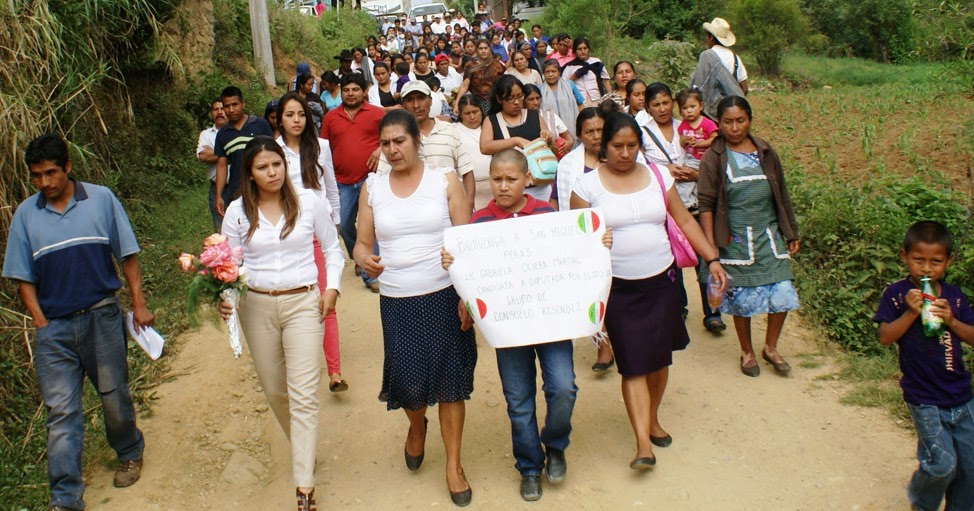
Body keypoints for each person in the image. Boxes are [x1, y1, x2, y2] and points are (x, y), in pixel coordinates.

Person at [3, 133, 154, 511]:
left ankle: (129, 450)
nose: (44, 183)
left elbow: (128, 255)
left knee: (113, 395)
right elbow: (23, 277)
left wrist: (138, 304)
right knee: (61, 412)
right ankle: (65, 497)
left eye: (51, 173)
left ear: (68, 167)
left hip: (101, 316)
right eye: (36, 176)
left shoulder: (101, 199)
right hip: (54, 329)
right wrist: (40, 321)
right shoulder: (26, 215)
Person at [571, 113, 726, 470]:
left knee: (659, 359)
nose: (625, 153)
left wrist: (712, 259)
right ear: (603, 148)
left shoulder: (659, 177)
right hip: (618, 289)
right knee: (634, 365)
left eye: (632, 146)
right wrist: (594, 241)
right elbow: (575, 239)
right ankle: (643, 443)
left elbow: (684, 219)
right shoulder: (587, 187)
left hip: (662, 281)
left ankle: (652, 417)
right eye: (617, 147)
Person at [440, 149, 595, 501]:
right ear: (489, 180)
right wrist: (454, 261)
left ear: (528, 179)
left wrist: (597, 242)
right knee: (518, 400)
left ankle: (555, 444)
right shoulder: (478, 224)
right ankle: (529, 467)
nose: (503, 186)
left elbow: (572, 257)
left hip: (551, 321)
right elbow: (470, 273)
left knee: (563, 387)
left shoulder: (547, 215)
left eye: (512, 179)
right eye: (497, 179)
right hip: (508, 327)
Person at [353, 110, 477, 507]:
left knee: (450, 381)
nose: (392, 150)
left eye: (399, 142)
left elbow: (465, 242)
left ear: (416, 141)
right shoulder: (372, 188)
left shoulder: (445, 181)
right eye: (386, 144)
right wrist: (363, 259)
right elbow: (361, 243)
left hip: (443, 293)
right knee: (409, 382)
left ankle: (453, 465)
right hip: (396, 298)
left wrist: (466, 296)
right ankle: (416, 425)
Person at [218, 137, 343, 511]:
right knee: (276, 391)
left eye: (277, 165)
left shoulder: (309, 203)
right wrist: (227, 300)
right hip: (256, 307)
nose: (272, 173)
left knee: (304, 393)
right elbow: (228, 266)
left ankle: (304, 486)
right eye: (262, 167)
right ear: (251, 174)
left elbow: (333, 248)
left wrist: (332, 287)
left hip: (304, 302)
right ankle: (302, 446)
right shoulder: (238, 213)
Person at [874, 221, 974, 511]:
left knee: (969, 468)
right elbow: (884, 337)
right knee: (942, 465)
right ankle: (921, 503)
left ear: (948, 262)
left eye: (936, 262)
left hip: (962, 396)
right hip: (924, 398)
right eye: (919, 260)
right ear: (904, 256)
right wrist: (910, 312)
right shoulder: (896, 294)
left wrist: (952, 320)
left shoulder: (953, 296)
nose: (927, 269)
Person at [697, 96, 800, 377]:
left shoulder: (765, 151)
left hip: (769, 234)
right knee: (741, 299)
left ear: (750, 120)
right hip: (733, 239)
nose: (734, 127)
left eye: (740, 120)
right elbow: (705, 204)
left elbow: (782, 193)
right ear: (718, 124)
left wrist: (790, 231)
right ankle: (747, 351)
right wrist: (710, 248)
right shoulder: (714, 157)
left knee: (782, 292)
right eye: (728, 122)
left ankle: (771, 347)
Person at [276, 92, 346, 392]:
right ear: (279, 118)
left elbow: (330, 187)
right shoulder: (271, 151)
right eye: (290, 115)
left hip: (319, 233)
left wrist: (336, 224)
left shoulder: (321, 148)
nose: (296, 120)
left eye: (301, 115)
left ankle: (334, 372)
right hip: (287, 235)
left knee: (325, 298)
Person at [320, 73, 385, 292]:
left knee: (372, 226)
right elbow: (323, 148)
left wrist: (380, 148)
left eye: (355, 89)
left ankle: (370, 274)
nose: (350, 93)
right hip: (342, 182)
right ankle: (359, 256)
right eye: (346, 90)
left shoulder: (376, 113)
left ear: (363, 91)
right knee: (345, 224)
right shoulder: (330, 117)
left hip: (372, 180)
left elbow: (390, 137)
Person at [638, 83, 695, 321]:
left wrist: (694, 173)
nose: (662, 108)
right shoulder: (641, 132)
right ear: (648, 108)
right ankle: (679, 303)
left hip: (694, 197)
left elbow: (703, 155)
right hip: (663, 202)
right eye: (656, 104)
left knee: (699, 251)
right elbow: (639, 166)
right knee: (673, 252)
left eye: (665, 102)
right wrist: (665, 170)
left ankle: (713, 311)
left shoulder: (687, 127)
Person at [377, 80, 475, 210]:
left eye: (421, 98)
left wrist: (467, 207)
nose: (416, 105)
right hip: (413, 212)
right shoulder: (394, 139)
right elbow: (382, 179)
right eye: (410, 100)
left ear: (430, 101)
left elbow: (466, 171)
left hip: (451, 209)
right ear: (402, 104)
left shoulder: (449, 130)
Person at [480, 75, 554, 203]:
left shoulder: (533, 116)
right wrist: (515, 141)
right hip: (510, 188)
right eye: (510, 98)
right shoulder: (492, 121)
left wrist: (548, 137)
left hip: (540, 184)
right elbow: (485, 147)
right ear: (499, 99)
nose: (516, 102)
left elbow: (549, 148)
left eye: (520, 96)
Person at [214, 86, 274, 217]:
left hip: (264, 189)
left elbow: (274, 155)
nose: (231, 110)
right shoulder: (222, 135)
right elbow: (222, 165)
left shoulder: (260, 124)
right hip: (237, 193)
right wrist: (218, 195)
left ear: (243, 103)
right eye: (227, 106)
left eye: (235, 104)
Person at [689, 17, 747, 119]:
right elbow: (744, 88)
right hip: (729, 113)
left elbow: (698, 86)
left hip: (708, 114)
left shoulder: (706, 56)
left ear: (711, 38)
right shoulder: (735, 58)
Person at [454, 94, 493, 209]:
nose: (472, 117)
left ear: (481, 111)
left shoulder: (490, 127)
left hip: (493, 185)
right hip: (466, 188)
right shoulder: (453, 130)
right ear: (460, 114)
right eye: (467, 113)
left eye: (475, 112)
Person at [197, 98, 228, 232]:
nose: (219, 112)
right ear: (211, 113)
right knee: (220, 230)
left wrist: (214, 152)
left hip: (239, 187)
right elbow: (203, 156)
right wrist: (229, 152)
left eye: (222, 109)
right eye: (216, 109)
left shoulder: (238, 132)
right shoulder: (206, 134)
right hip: (216, 190)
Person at [452, 38, 505, 116]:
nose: (483, 51)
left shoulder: (498, 65)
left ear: (490, 49)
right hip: (478, 104)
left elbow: (504, 83)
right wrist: (456, 104)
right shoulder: (471, 66)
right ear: (476, 50)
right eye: (480, 48)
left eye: (485, 48)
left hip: (497, 103)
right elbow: (464, 86)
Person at [523, 84, 572, 156]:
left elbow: (567, 135)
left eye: (538, 98)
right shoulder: (521, 120)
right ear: (523, 101)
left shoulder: (550, 115)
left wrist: (569, 143)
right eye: (531, 99)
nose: (536, 102)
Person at [540, 59, 583, 140]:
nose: (550, 74)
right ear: (543, 74)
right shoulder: (539, 90)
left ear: (559, 72)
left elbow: (580, 104)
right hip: (551, 132)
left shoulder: (570, 85)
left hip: (572, 126)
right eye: (547, 72)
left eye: (553, 71)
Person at [561, 38, 610, 108]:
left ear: (589, 49)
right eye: (579, 49)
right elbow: (564, 86)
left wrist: (610, 98)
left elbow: (606, 81)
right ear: (575, 51)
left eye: (585, 48)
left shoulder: (596, 62)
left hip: (597, 99)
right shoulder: (569, 67)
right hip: (579, 103)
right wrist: (574, 76)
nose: (583, 51)